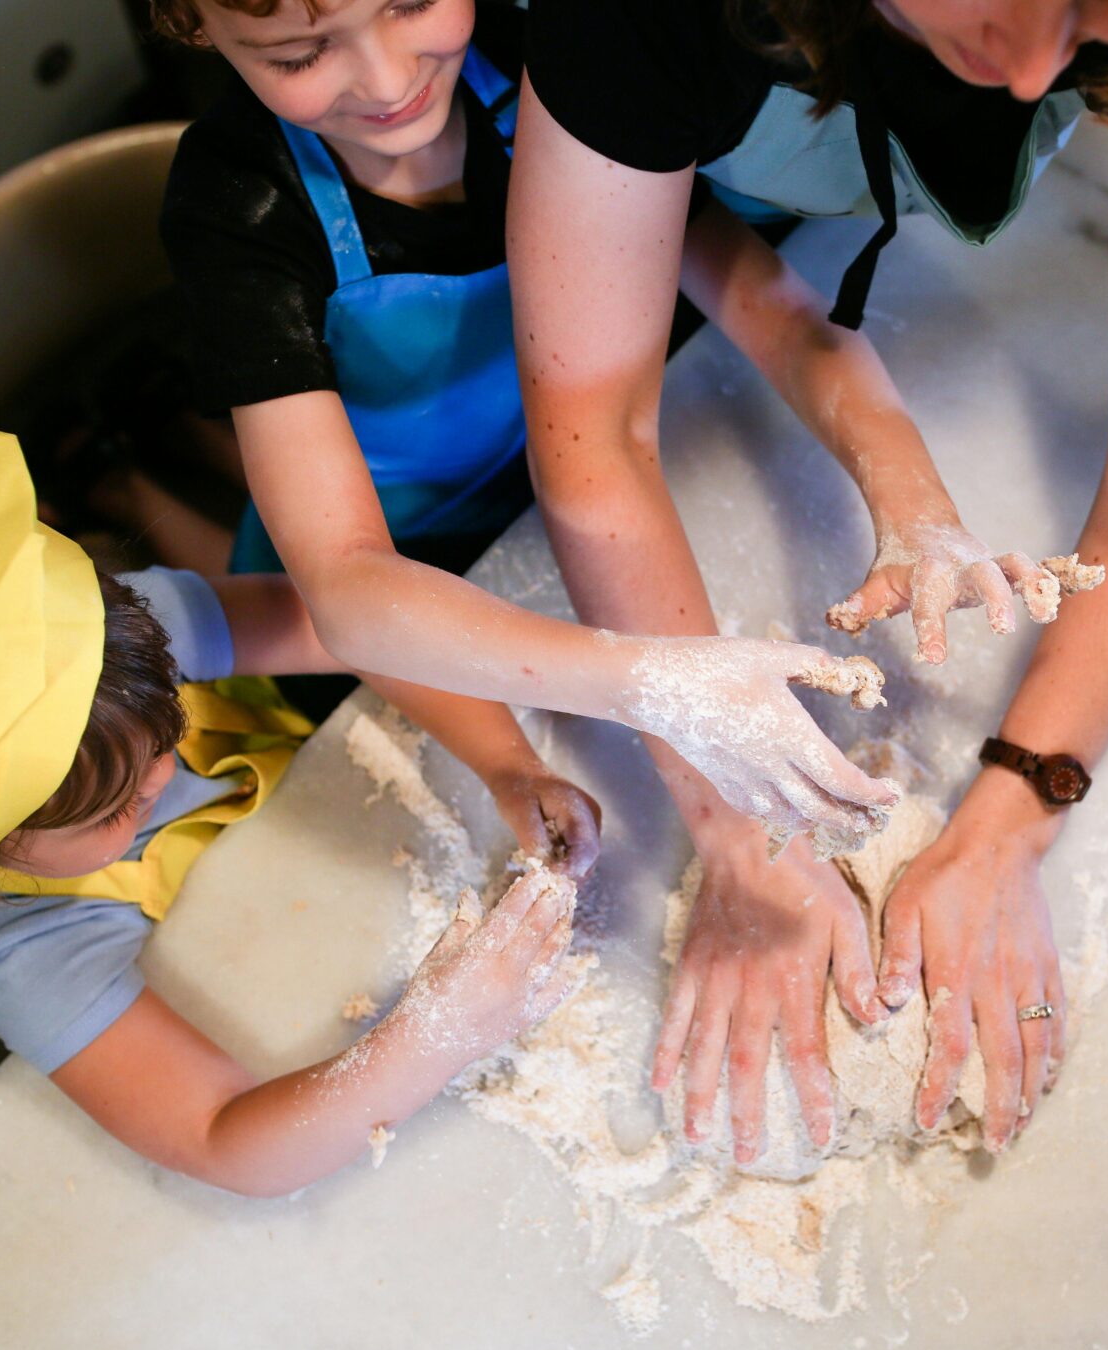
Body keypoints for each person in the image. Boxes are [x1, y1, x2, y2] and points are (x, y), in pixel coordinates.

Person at [508, 0, 1108, 1158]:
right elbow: (595, 440)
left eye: (1099, 20)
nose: (1032, 71)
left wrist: (1015, 814)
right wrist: (738, 821)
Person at [151, 0, 1053, 852]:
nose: (388, 80)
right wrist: (636, 694)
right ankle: (131, 468)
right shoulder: (236, 205)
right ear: (192, 24)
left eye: (412, 3)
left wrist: (914, 504)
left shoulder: (554, 62)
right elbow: (348, 590)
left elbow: (778, 314)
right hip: (398, 583)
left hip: (553, 515)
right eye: (302, 54)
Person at [0, 395, 600, 1196]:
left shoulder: (98, 642)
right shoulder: (12, 941)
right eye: (119, 806)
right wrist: (436, 1033)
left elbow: (346, 627)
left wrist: (507, 762)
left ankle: (114, 473)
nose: (164, 775)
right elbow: (222, 1139)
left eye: (168, 731)